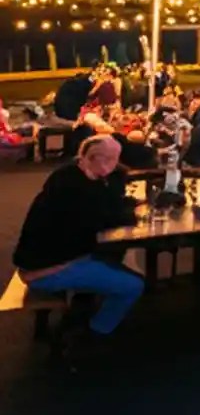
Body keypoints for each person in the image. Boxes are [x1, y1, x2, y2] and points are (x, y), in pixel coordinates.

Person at [12, 135, 144, 351]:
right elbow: (108, 219)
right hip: (46, 269)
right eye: (113, 159)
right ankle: (97, 332)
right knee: (134, 285)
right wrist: (129, 209)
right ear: (95, 158)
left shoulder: (70, 175)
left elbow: (107, 211)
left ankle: (84, 306)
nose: (117, 164)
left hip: (43, 259)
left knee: (114, 258)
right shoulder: (77, 188)